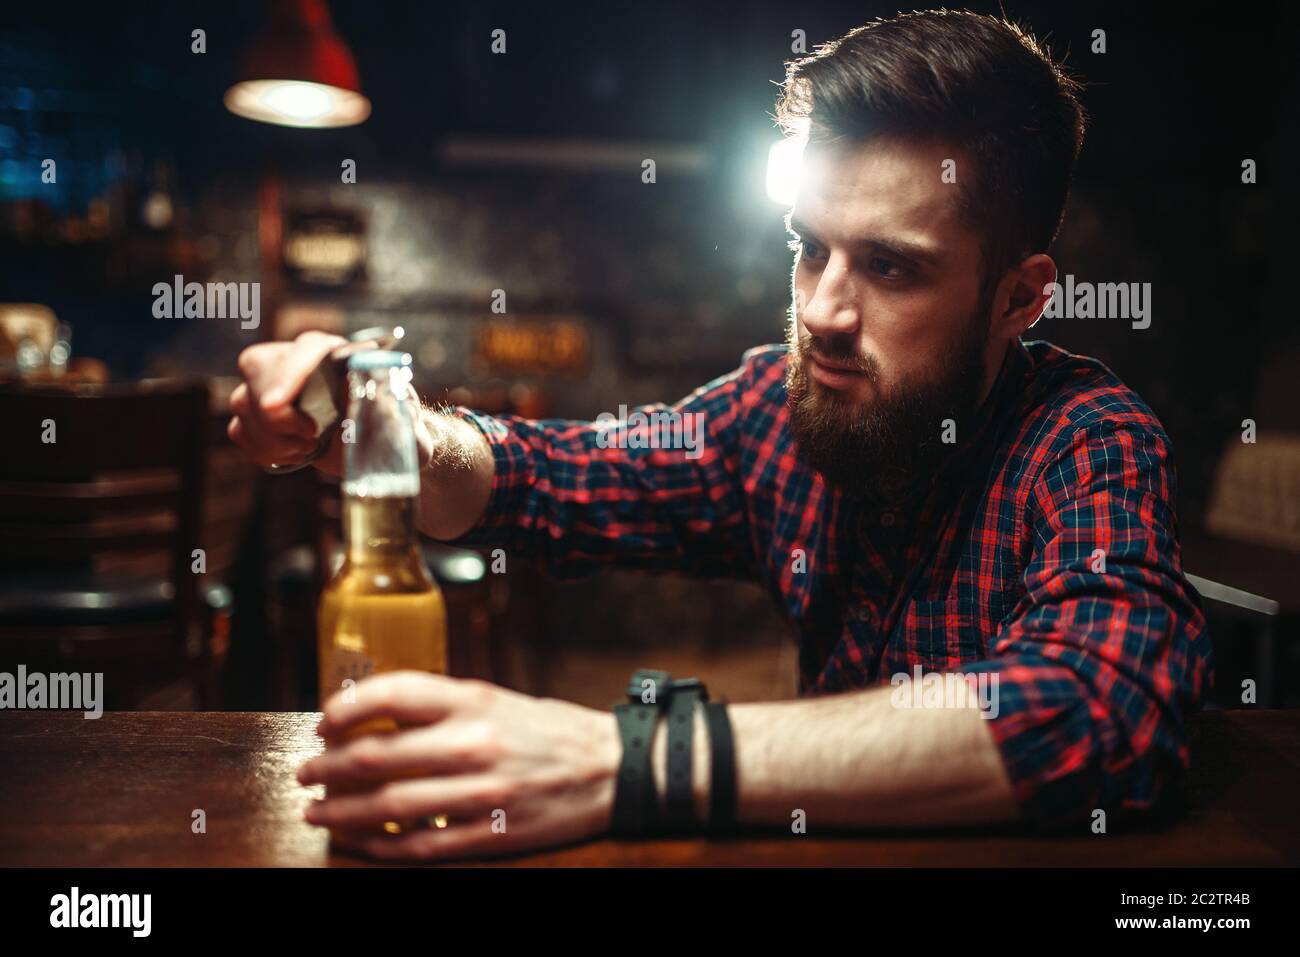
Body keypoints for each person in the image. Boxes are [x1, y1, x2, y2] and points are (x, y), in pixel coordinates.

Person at [229, 10, 1212, 860]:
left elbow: (1106, 709)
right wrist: (385, 426)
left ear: (1017, 298)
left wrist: (635, 761)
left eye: (890, 267)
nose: (823, 309)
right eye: (808, 249)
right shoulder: (779, 412)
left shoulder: (1086, 439)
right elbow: (549, 477)